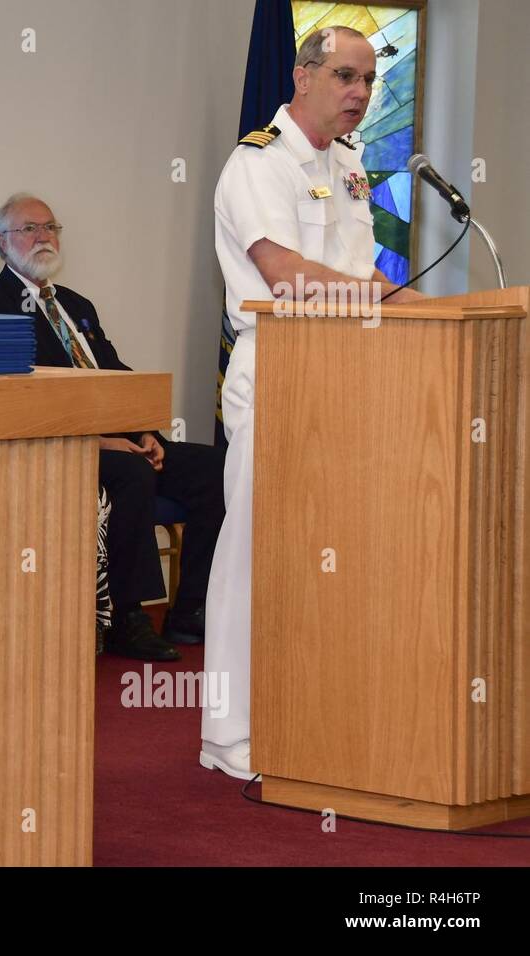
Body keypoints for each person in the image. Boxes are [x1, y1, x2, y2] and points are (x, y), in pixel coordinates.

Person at [206, 25, 425, 778]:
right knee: (255, 549)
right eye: (345, 76)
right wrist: (379, 292)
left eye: (369, 81)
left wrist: (410, 304)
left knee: (332, 557)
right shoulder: (257, 163)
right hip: (280, 376)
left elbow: (360, 268)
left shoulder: (352, 166)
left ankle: (314, 715)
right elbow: (284, 271)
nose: (361, 94)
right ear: (302, 76)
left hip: (351, 380)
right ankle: (230, 734)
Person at [0, 194, 225, 663]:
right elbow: (13, 403)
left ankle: (192, 609)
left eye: (50, 227)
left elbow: (112, 373)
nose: (43, 236)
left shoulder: (76, 304)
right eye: (29, 229)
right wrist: (102, 441)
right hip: (56, 446)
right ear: (2, 243)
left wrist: (146, 430)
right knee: (133, 475)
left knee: (217, 467)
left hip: (119, 438)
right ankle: (129, 616)